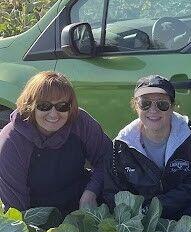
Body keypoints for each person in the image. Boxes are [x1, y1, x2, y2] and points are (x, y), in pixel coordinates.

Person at [103, 75, 191, 223]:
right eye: (145, 104)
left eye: (162, 104)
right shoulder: (121, 145)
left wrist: (153, 208)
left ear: (172, 106)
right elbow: (113, 193)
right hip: (140, 222)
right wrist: (141, 217)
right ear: (136, 106)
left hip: (186, 220)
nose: (153, 110)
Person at [0, 71, 111, 214]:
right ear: (30, 105)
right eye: (44, 106)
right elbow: (16, 210)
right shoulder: (11, 142)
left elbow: (107, 159)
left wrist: (91, 192)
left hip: (83, 204)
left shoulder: (80, 122)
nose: (53, 114)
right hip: (39, 217)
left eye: (62, 106)